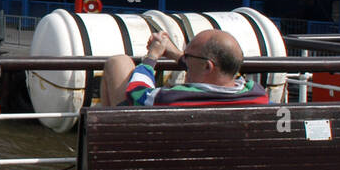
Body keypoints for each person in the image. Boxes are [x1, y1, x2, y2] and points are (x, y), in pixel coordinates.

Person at [101, 28, 269, 107]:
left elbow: (137, 92)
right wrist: (175, 54)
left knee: (118, 63)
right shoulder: (257, 93)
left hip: (161, 168)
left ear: (207, 67)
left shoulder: (175, 98)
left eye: (188, 57)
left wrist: (151, 58)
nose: (185, 60)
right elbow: (225, 73)